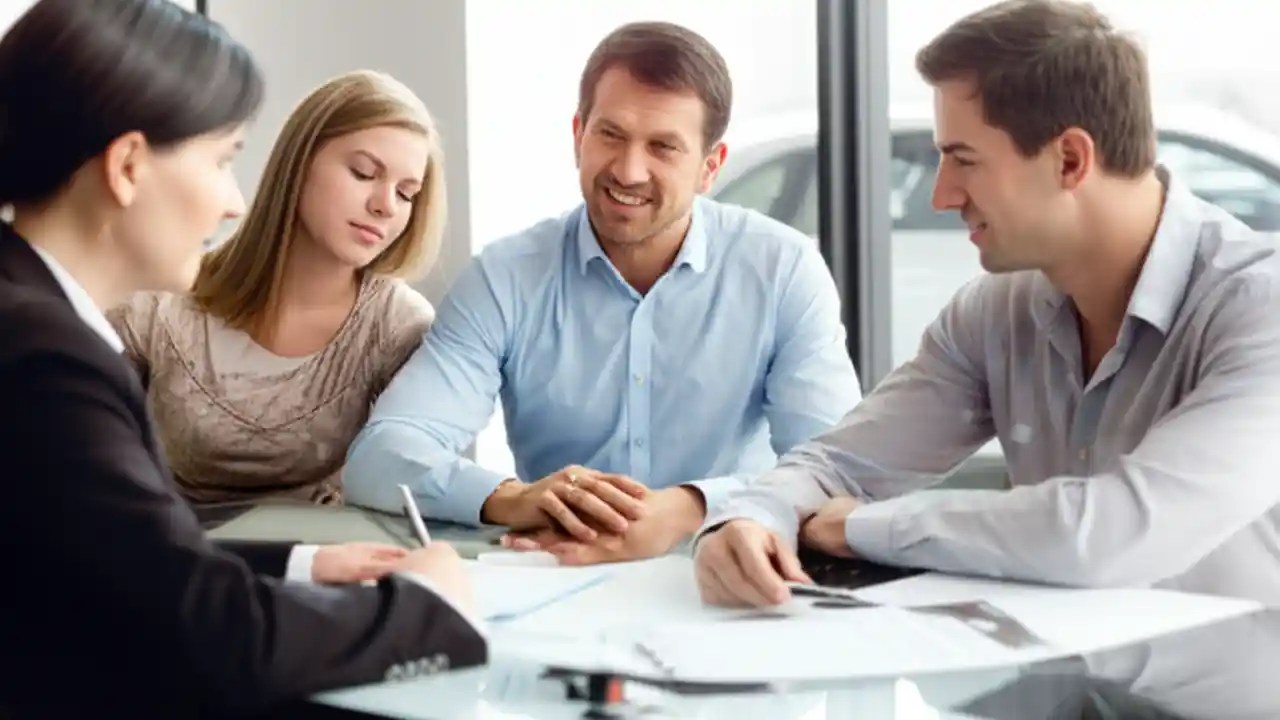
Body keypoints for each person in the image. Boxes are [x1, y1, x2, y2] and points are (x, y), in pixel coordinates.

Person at [695, 0, 1280, 608]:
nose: (942, 194)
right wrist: (752, 518)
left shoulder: (1260, 307)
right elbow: (839, 464)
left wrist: (857, 527)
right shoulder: (994, 312)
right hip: (1049, 688)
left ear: (1070, 160)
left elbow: (1110, 536)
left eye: (963, 159)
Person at [0, 1, 483, 716]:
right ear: (129, 165)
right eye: (223, 158)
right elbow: (209, 635)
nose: (233, 201)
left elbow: (122, 558)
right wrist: (426, 608)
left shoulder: (30, 315)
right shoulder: (48, 364)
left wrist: (305, 562)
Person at [344, 21, 861, 565]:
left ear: (710, 167)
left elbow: (835, 469)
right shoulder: (505, 277)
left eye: (663, 147)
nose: (629, 170)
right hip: (557, 577)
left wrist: (690, 507)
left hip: (725, 570)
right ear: (578, 135)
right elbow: (381, 457)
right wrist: (514, 498)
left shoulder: (783, 269)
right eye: (610, 135)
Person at [108, 69, 442, 506]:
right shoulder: (157, 306)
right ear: (298, 163)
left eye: (406, 193)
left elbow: (419, 479)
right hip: (167, 559)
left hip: (331, 565)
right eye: (363, 173)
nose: (384, 206)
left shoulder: (399, 327)